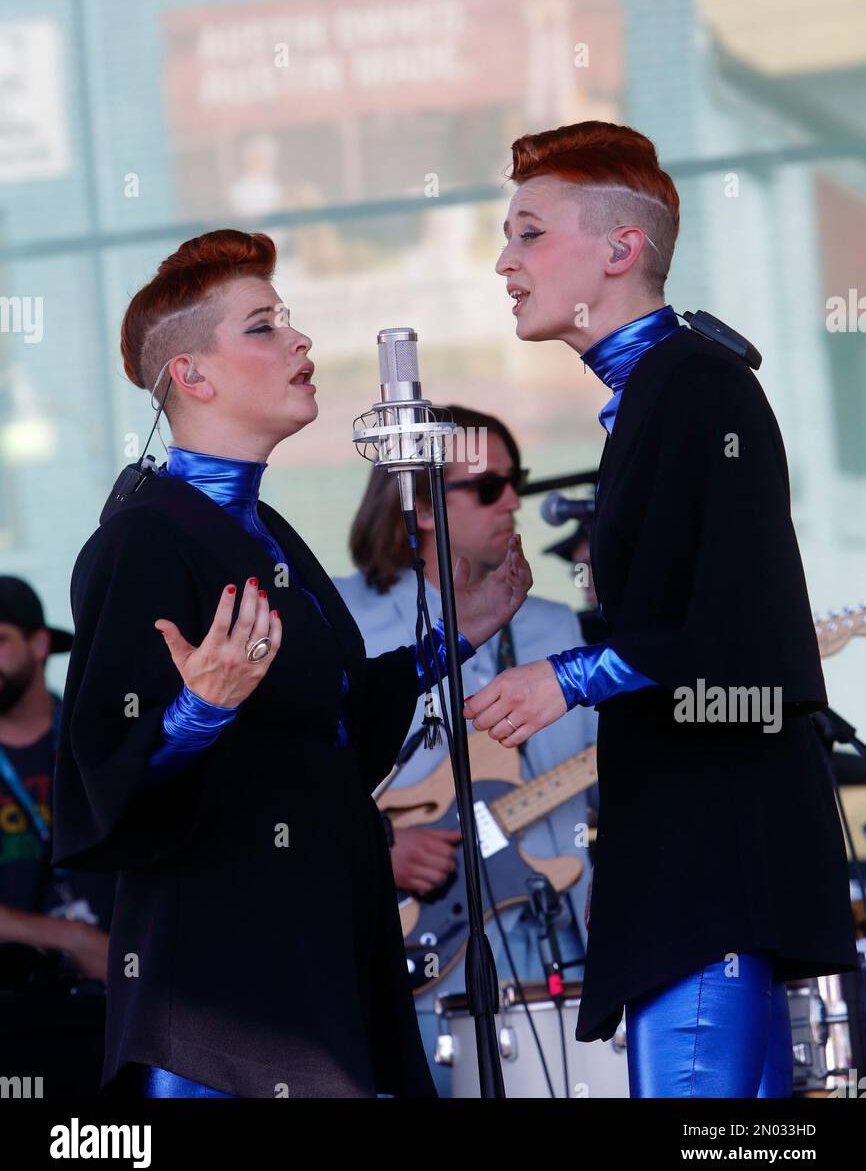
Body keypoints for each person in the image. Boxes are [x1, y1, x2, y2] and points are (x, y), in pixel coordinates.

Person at [51, 228, 531, 1099]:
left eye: (289, 320)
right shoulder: (142, 540)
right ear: (192, 376)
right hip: (224, 1002)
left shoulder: (266, 533)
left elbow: (326, 725)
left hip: (324, 949)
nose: (300, 341)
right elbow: (103, 776)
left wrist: (455, 637)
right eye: (264, 326)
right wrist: (197, 710)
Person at [463, 121, 858, 1098]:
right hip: (707, 844)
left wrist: (565, 674)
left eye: (527, 233)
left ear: (618, 249)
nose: (503, 263)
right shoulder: (664, 391)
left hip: (707, 855)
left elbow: (734, 625)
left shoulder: (692, 386)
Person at [334, 407, 598, 1095]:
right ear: (419, 506)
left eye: (518, 481)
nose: (514, 501)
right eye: (487, 488)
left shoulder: (554, 622)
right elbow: (286, 788)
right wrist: (376, 849)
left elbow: (605, 789)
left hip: (559, 948)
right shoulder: (340, 617)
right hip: (407, 963)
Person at [0, 576, 112, 980]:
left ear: (40, 646)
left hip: (121, 1003)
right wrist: (69, 938)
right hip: (18, 1011)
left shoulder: (98, 740)